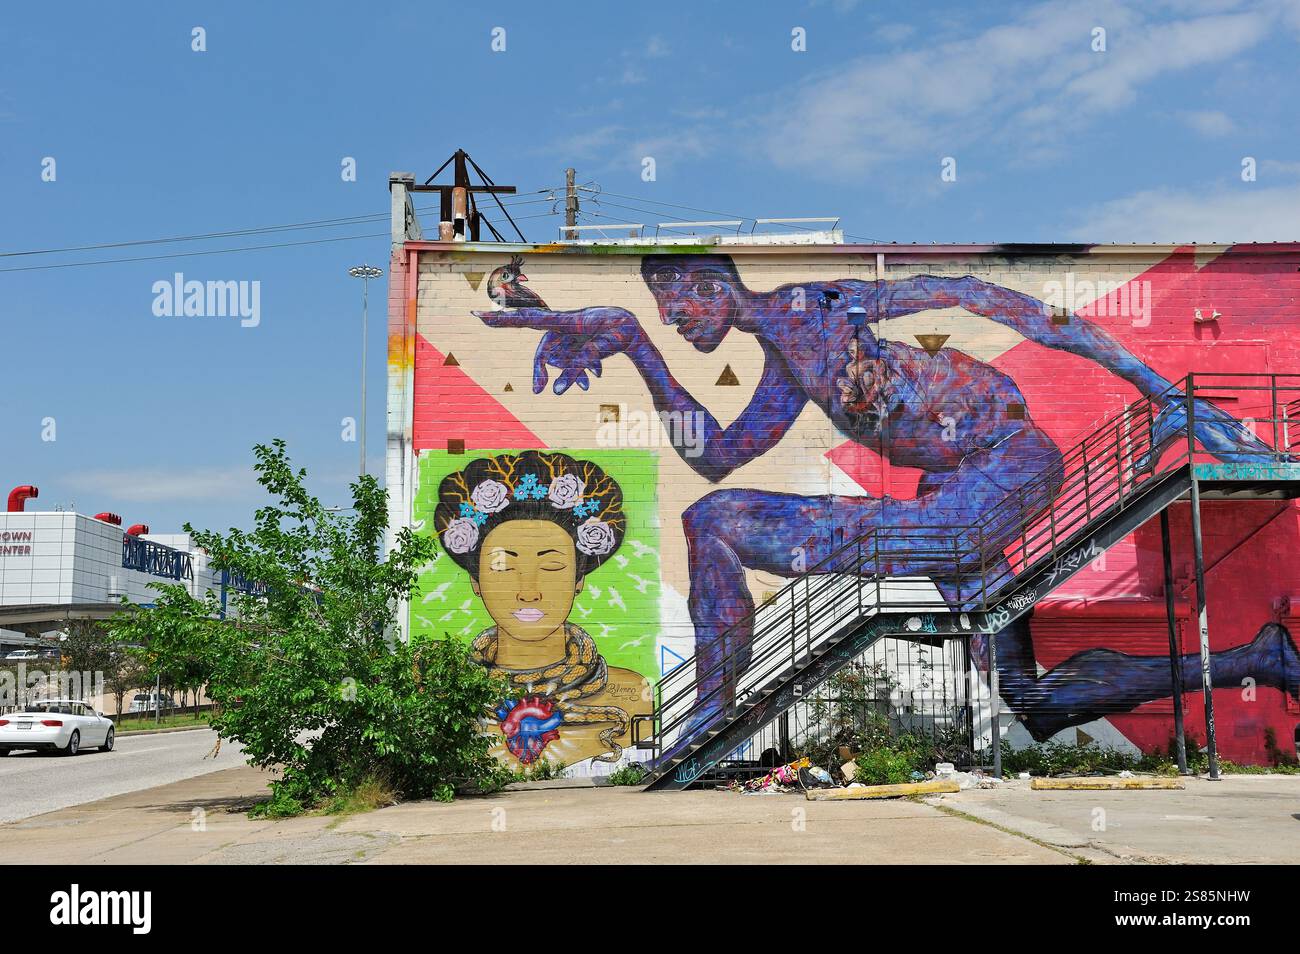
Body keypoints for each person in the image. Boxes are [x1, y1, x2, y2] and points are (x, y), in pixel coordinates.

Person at [473, 255, 1284, 736]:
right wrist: (638, 350)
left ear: (713, 283)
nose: (676, 318)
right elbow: (716, 455)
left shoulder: (822, 304)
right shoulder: (785, 366)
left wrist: (1158, 390)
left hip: (1003, 464)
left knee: (719, 523)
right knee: (1030, 700)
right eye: (659, 312)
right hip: (953, 499)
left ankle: (709, 715)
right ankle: (1260, 658)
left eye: (676, 302)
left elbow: (973, 290)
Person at [434, 450, 651, 767]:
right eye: (504, 567)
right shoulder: (451, 697)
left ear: (579, 580)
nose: (529, 592)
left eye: (551, 566)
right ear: (475, 581)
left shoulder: (630, 694)